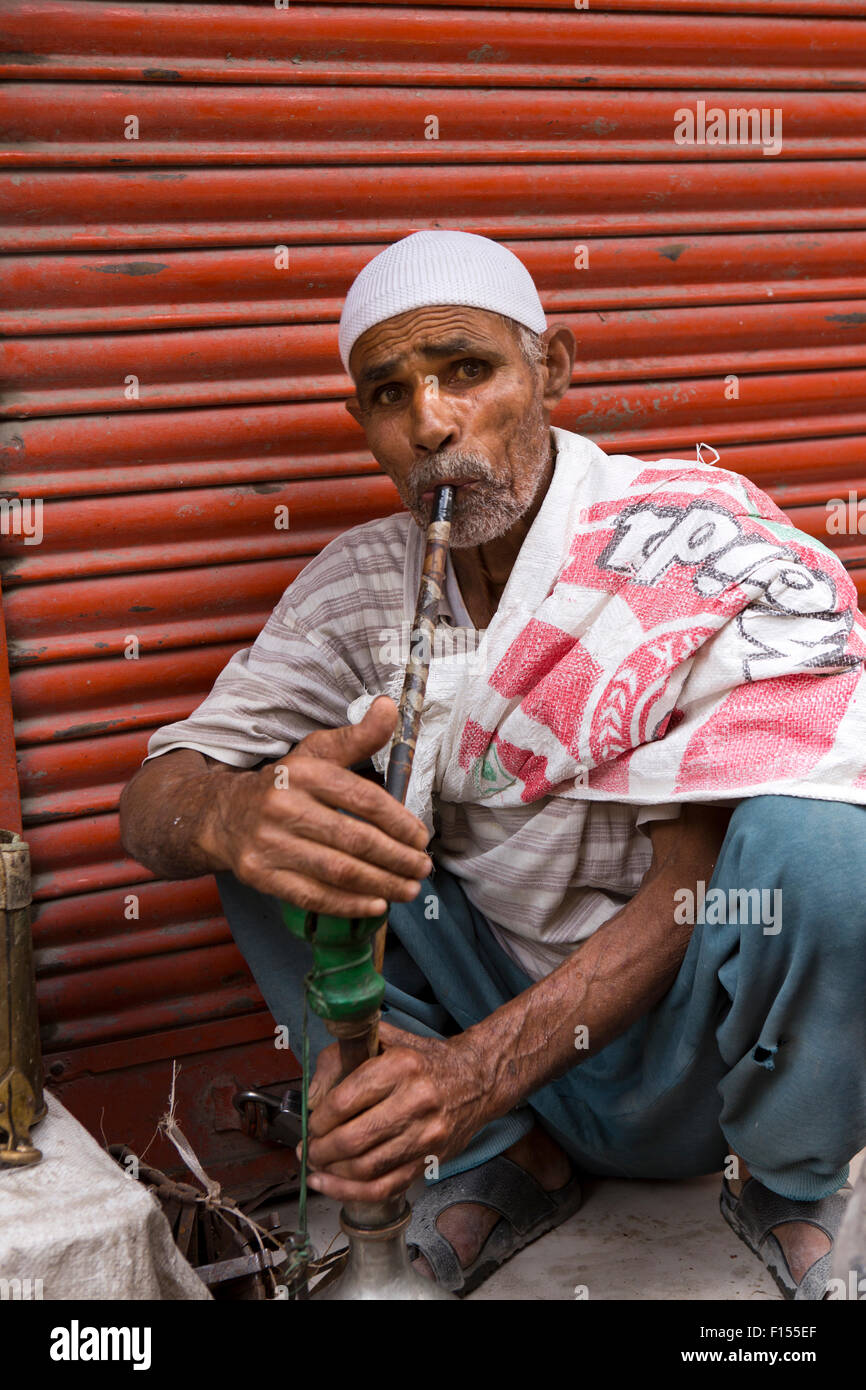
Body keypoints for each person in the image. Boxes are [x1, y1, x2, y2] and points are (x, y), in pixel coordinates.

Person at [120, 230, 866, 1299]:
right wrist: (234, 811)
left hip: (700, 1053)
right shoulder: (358, 589)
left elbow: (694, 883)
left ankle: (787, 1179)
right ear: (363, 423)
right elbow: (155, 793)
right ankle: (499, 1163)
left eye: (466, 370)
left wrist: (471, 1074)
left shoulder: (681, 539)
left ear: (550, 368)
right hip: (494, 1046)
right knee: (275, 819)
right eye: (390, 393)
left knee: (823, 842)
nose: (432, 421)